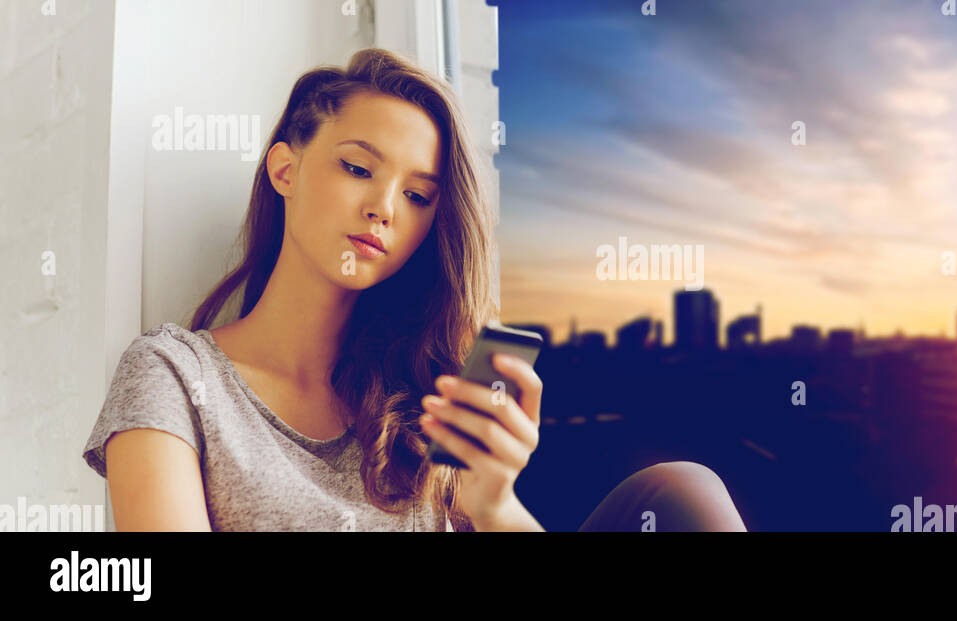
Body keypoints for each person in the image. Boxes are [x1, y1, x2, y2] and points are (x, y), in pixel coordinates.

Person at [81, 48, 747, 533]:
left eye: (418, 194)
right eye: (356, 167)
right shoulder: (173, 375)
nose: (384, 208)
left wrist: (493, 507)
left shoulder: (420, 396)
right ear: (285, 168)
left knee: (682, 492)